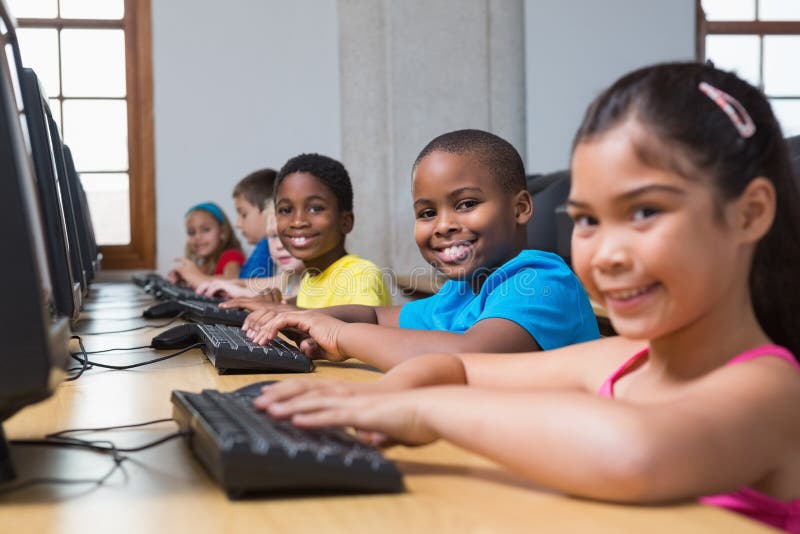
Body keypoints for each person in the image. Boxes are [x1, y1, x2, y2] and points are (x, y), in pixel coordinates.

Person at [250, 63, 800, 532]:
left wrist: (423, 408)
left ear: (749, 214)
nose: (605, 253)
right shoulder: (619, 361)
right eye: (586, 219)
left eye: (644, 212)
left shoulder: (769, 386)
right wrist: (384, 397)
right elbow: (456, 368)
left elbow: (636, 453)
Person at [239, 130, 599, 371]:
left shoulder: (541, 280)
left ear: (520, 208)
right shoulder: (461, 291)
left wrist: (340, 335)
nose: (442, 225)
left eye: (466, 203)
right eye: (427, 213)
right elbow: (379, 317)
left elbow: (470, 355)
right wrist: (301, 315)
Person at [221, 153, 392, 311]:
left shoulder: (360, 275)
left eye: (315, 208)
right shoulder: (310, 280)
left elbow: (358, 336)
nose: (298, 222)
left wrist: (284, 313)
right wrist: (272, 308)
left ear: (345, 222)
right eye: (286, 210)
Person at [195, 205, 305, 300]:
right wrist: (231, 285)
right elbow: (251, 284)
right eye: (274, 236)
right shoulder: (289, 277)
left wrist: (241, 293)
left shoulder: (314, 280)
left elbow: (291, 305)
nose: (279, 246)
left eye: (292, 234)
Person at [167, 202, 244, 287]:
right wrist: (182, 280)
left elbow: (234, 280)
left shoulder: (231, 256)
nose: (198, 237)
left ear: (222, 232)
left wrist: (197, 277)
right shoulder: (203, 266)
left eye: (206, 230)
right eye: (192, 233)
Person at [233, 168, 277, 279]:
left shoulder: (266, 247)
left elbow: (255, 287)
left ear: (268, 209)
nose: (237, 224)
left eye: (243, 214)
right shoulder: (262, 246)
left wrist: (198, 278)